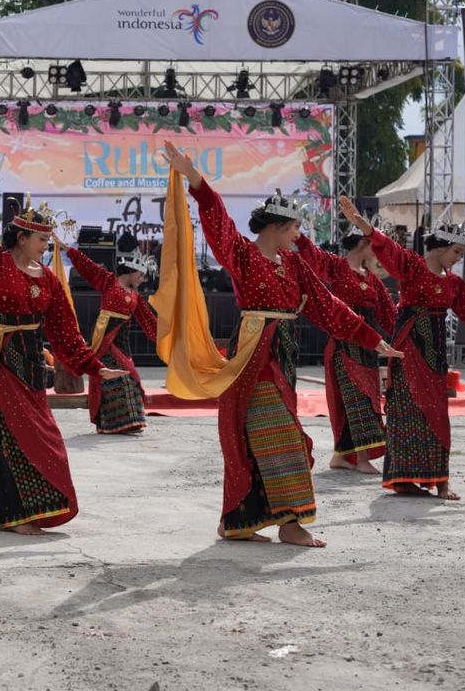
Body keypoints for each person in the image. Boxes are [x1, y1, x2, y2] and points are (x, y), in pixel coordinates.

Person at [163, 142, 403, 547]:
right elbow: (218, 220)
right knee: (283, 436)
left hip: (283, 356)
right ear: (275, 227)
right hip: (253, 357)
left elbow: (327, 306)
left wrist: (372, 338)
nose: (299, 235)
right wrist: (197, 181)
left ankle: (241, 521)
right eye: (294, 228)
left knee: (260, 436)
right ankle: (290, 522)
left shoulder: (292, 264)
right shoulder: (241, 254)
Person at [0, 138, 126, 534]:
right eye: (42, 238)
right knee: (10, 432)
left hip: (32, 364)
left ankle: (29, 509)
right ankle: (16, 513)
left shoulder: (52, 282)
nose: (47, 244)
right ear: (22, 238)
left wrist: (93, 366)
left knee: (43, 434)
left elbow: (64, 332)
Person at [338, 197, 465, 500]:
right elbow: (384, 246)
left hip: (434, 354)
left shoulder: (454, 285)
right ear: (440, 248)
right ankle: (404, 479)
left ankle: (440, 480)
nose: (458, 258)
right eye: (457, 252)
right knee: (404, 409)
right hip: (407, 349)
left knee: (437, 411)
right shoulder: (412, 267)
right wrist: (361, 224)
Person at [295, 232, 397, 474]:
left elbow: (389, 314)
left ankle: (340, 456)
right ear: (363, 243)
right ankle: (361, 459)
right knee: (356, 398)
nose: (377, 250)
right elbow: (314, 257)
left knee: (363, 397)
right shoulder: (337, 267)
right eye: (374, 244)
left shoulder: (373, 279)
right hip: (344, 343)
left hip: (367, 347)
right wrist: (300, 239)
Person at [57, 236, 159, 434]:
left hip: (122, 342)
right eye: (140, 274)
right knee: (112, 377)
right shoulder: (108, 281)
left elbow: (150, 322)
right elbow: (87, 266)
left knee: (129, 377)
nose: (141, 279)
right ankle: (112, 424)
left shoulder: (136, 297)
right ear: (129, 272)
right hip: (104, 340)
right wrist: (67, 249)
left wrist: (170, 338)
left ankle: (130, 421)